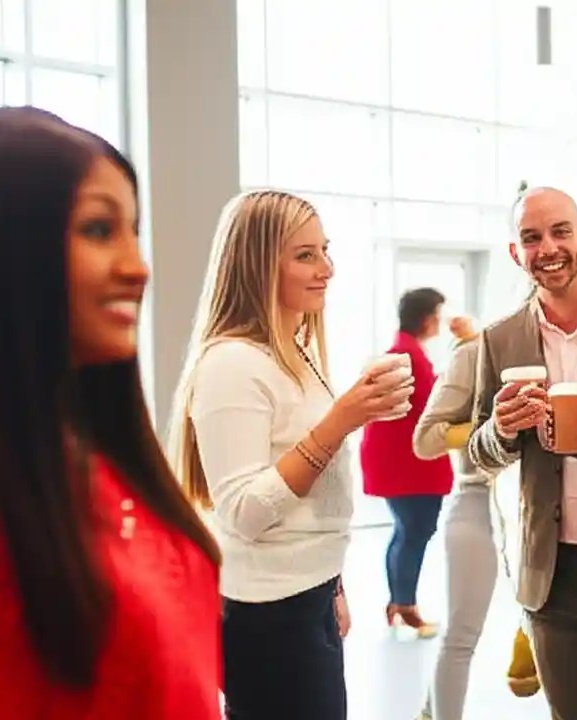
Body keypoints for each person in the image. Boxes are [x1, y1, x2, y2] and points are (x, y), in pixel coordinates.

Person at [0, 107, 221, 719]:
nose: (138, 267)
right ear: (2, 247)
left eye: (134, 232)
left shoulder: (98, 459)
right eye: (100, 231)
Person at [169, 190, 413, 719]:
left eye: (325, 250)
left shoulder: (295, 352)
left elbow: (311, 500)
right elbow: (246, 513)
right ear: (258, 263)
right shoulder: (233, 364)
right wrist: (341, 420)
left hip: (306, 599)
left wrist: (333, 585)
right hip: (266, 616)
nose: (326, 267)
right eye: (305, 254)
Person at [469, 186, 577, 720]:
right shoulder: (500, 340)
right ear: (517, 253)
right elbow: (479, 453)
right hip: (554, 576)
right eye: (531, 238)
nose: (548, 248)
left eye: (561, 232)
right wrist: (501, 429)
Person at [412, 316, 541, 720]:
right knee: (461, 635)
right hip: (476, 501)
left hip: (536, 512)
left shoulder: (570, 354)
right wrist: (496, 427)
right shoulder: (475, 353)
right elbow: (425, 439)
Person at [361, 287, 454, 638]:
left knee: (405, 532)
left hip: (400, 466)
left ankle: (399, 602)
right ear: (428, 318)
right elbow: (433, 408)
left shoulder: (404, 353)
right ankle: (405, 606)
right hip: (410, 468)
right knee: (414, 533)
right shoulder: (408, 357)